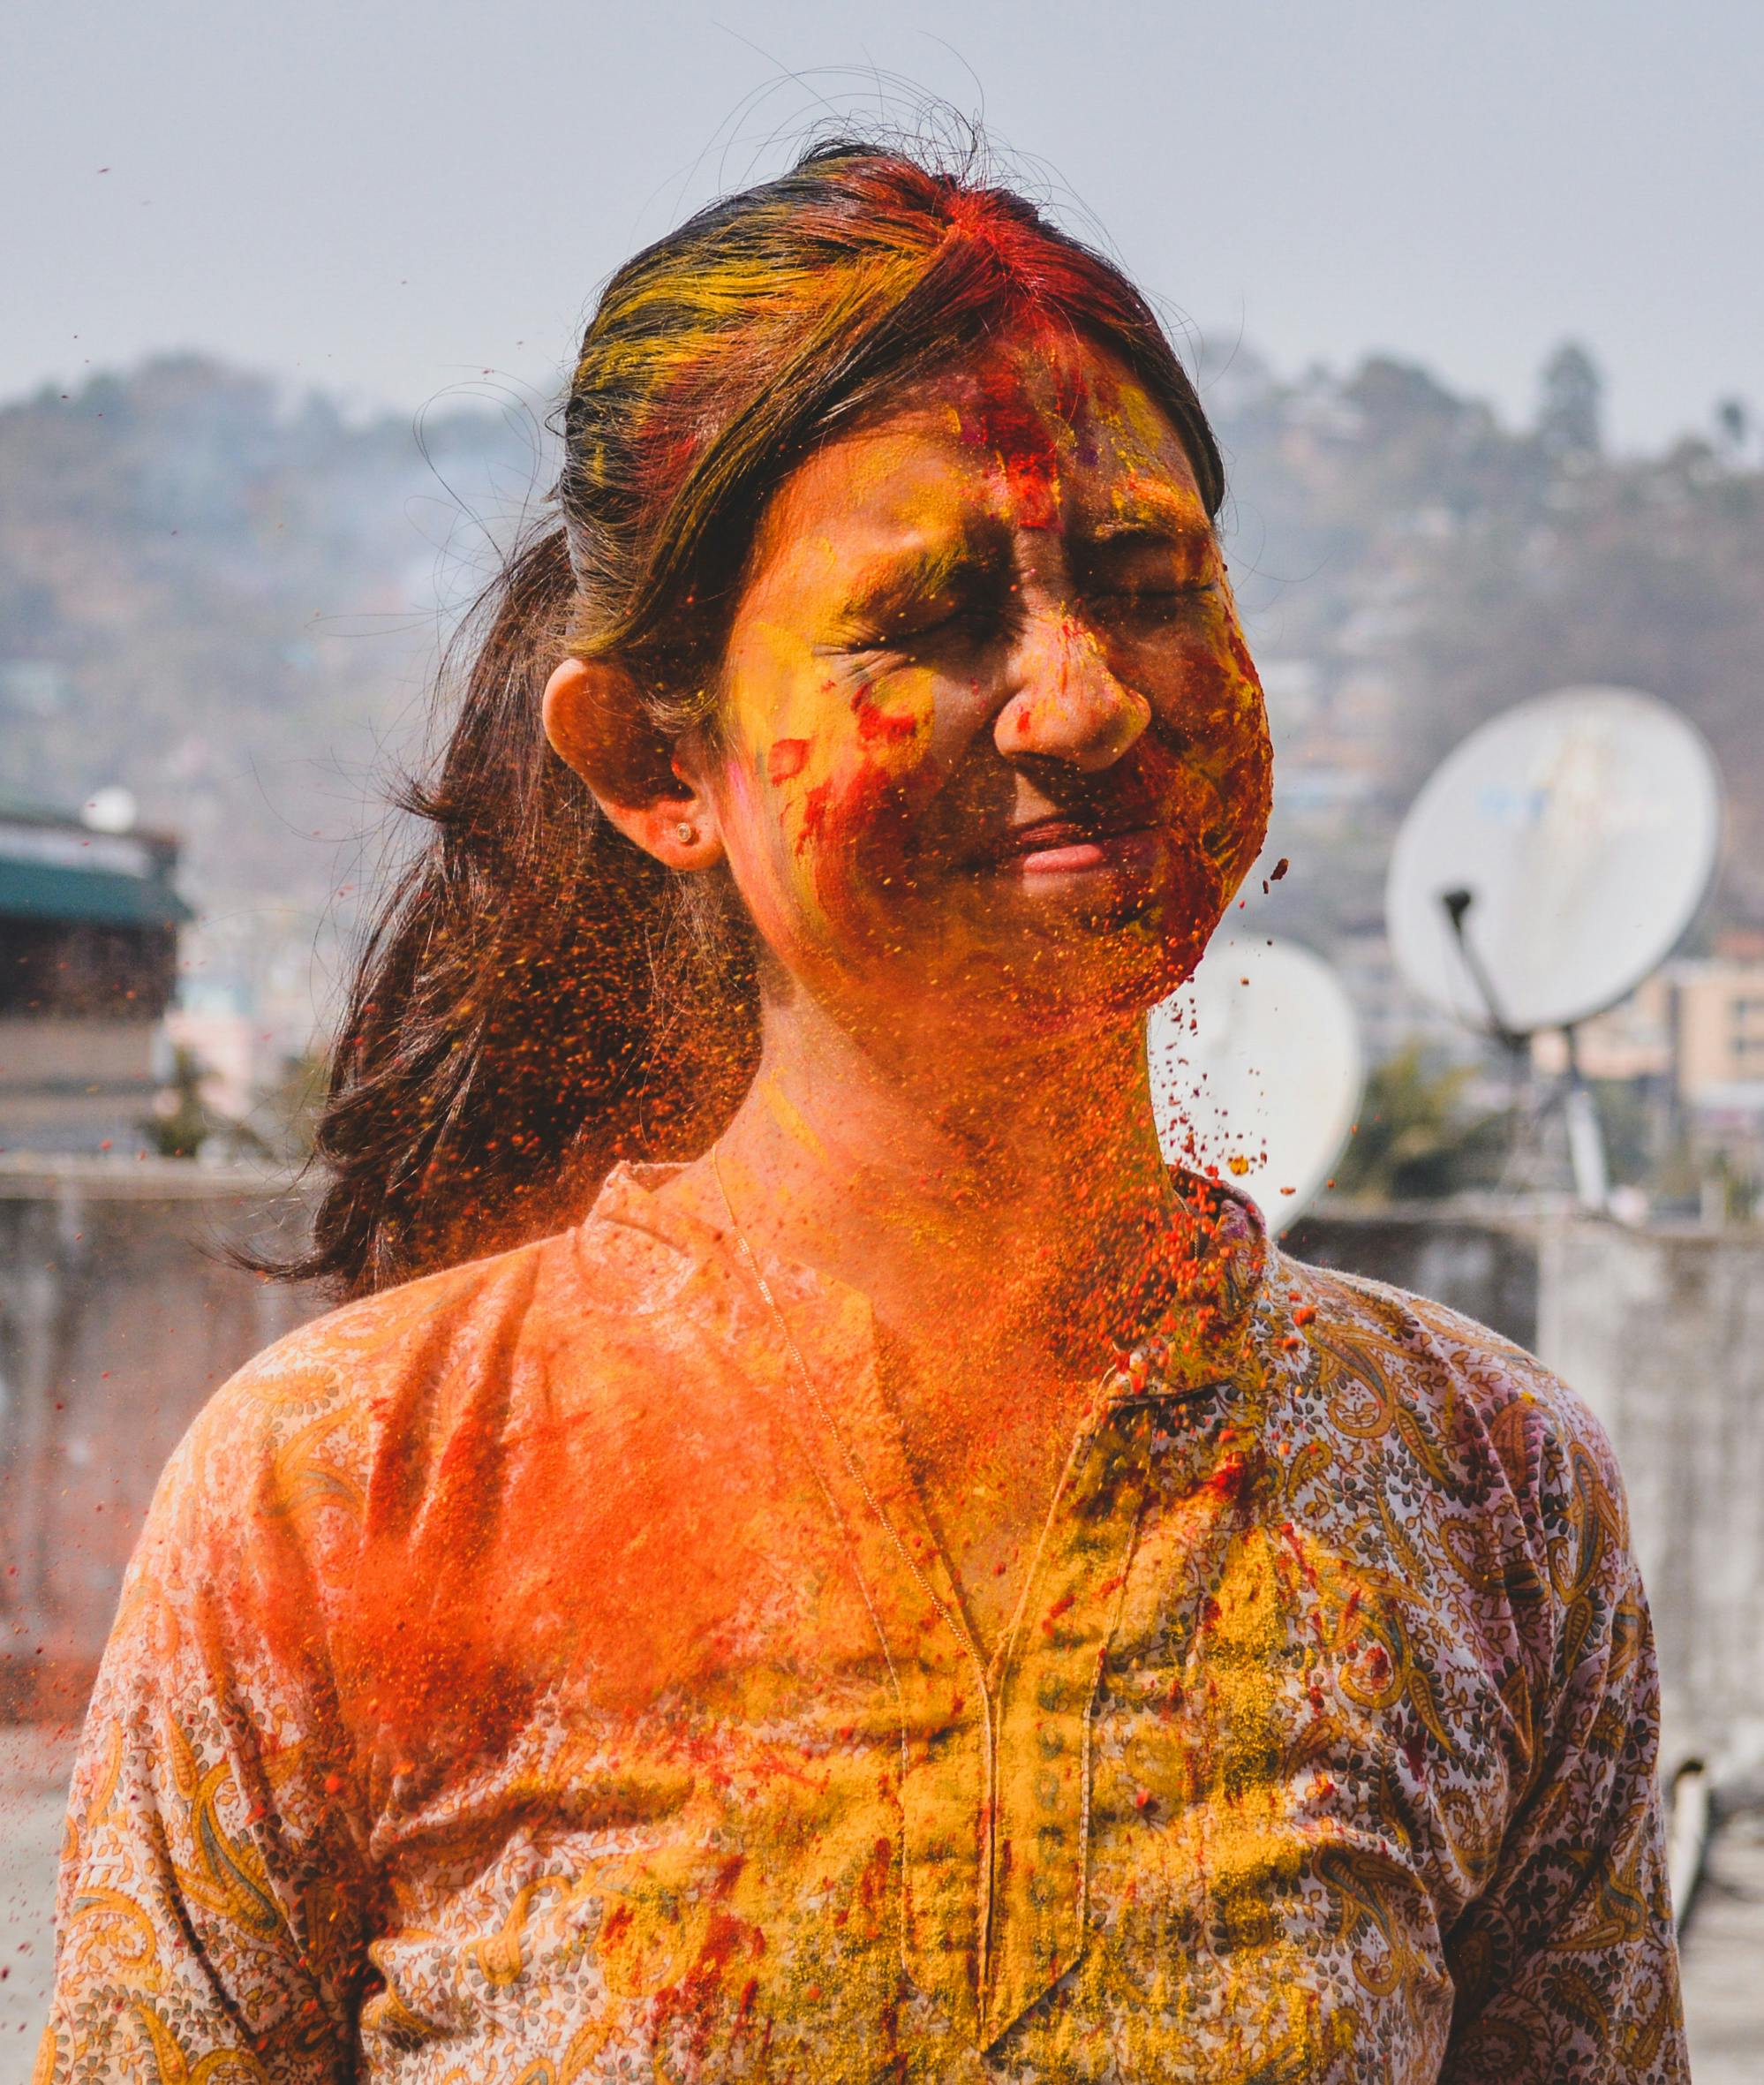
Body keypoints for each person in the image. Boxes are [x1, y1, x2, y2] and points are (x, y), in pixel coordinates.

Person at [41, 140, 1685, 2083]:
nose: (1083, 700)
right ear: (660, 760)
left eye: (1151, 580)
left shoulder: (1486, 1491)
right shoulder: (352, 1492)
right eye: (929, 616)